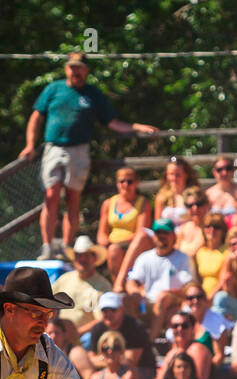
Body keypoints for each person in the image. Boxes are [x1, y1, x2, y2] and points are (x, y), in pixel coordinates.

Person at [20, 52, 158, 257]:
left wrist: (136, 127)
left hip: (80, 150)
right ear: (67, 69)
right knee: (51, 195)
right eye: (72, 67)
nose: (76, 71)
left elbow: (112, 122)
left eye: (80, 68)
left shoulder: (93, 94)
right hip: (54, 148)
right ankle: (47, 246)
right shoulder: (53, 89)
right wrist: (30, 144)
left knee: (73, 198)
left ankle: (66, 246)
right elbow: (36, 117)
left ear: (86, 71)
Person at [124, 218, 194, 314]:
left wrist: (167, 294)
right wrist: (135, 292)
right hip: (148, 302)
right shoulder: (145, 257)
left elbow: (188, 287)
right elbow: (132, 281)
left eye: (165, 233)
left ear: (173, 236)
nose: (161, 236)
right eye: (158, 233)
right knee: (127, 300)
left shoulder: (183, 258)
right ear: (153, 236)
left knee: (163, 298)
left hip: (172, 305)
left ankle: (154, 329)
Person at [83, 291, 156, 379]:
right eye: (105, 311)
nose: (108, 314)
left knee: (128, 376)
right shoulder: (98, 328)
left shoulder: (135, 327)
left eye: (113, 310)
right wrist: (112, 359)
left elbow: (130, 361)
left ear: (122, 310)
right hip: (109, 372)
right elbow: (90, 360)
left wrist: (103, 358)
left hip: (141, 370)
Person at [97, 165, 152, 282]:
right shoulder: (108, 203)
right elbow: (101, 233)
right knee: (112, 250)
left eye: (129, 181)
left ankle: (119, 285)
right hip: (111, 246)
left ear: (136, 183)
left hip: (133, 246)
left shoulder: (143, 204)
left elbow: (141, 232)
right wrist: (106, 242)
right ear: (117, 183)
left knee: (114, 250)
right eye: (122, 181)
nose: (125, 185)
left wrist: (117, 243)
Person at [53, 236, 112, 334]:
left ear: (95, 259)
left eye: (86, 256)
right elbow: (49, 304)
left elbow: (103, 320)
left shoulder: (103, 286)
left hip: (88, 336)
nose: (82, 259)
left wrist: (76, 333)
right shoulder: (64, 279)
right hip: (60, 335)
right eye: (78, 256)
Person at [153, 308, 214, 379]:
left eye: (184, 326)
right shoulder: (172, 352)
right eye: (175, 326)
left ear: (192, 328)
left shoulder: (197, 349)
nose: (179, 329)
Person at [153, 156, 199, 226]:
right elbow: (157, 224)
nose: (174, 178)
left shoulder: (194, 196)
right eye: (171, 174)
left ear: (186, 175)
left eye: (178, 175)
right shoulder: (161, 197)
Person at [194, 214, 229, 299]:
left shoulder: (227, 252)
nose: (212, 230)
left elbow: (223, 281)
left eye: (216, 227)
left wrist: (210, 298)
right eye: (208, 226)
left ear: (223, 231)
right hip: (201, 298)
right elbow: (197, 280)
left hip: (219, 297)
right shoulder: (200, 252)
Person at [174, 186, 210, 259]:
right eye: (190, 205)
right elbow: (175, 253)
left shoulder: (212, 228)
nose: (195, 208)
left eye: (198, 204)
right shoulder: (182, 229)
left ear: (206, 205)